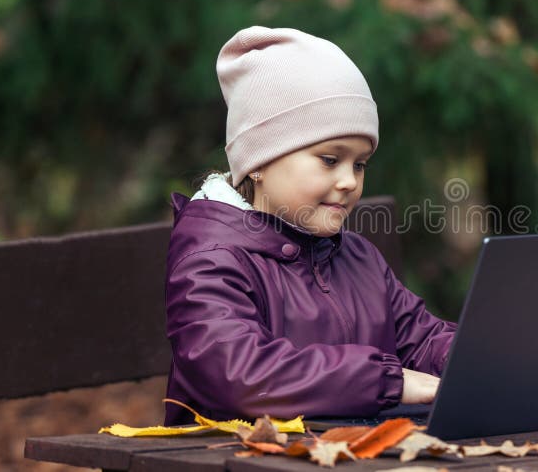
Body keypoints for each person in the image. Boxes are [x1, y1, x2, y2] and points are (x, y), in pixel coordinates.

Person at [164, 26, 457, 425]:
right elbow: (241, 375)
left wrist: (473, 358)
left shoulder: (354, 255)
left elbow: (420, 338)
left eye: (359, 164)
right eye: (329, 159)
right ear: (260, 162)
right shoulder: (211, 259)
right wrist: (386, 381)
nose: (349, 181)